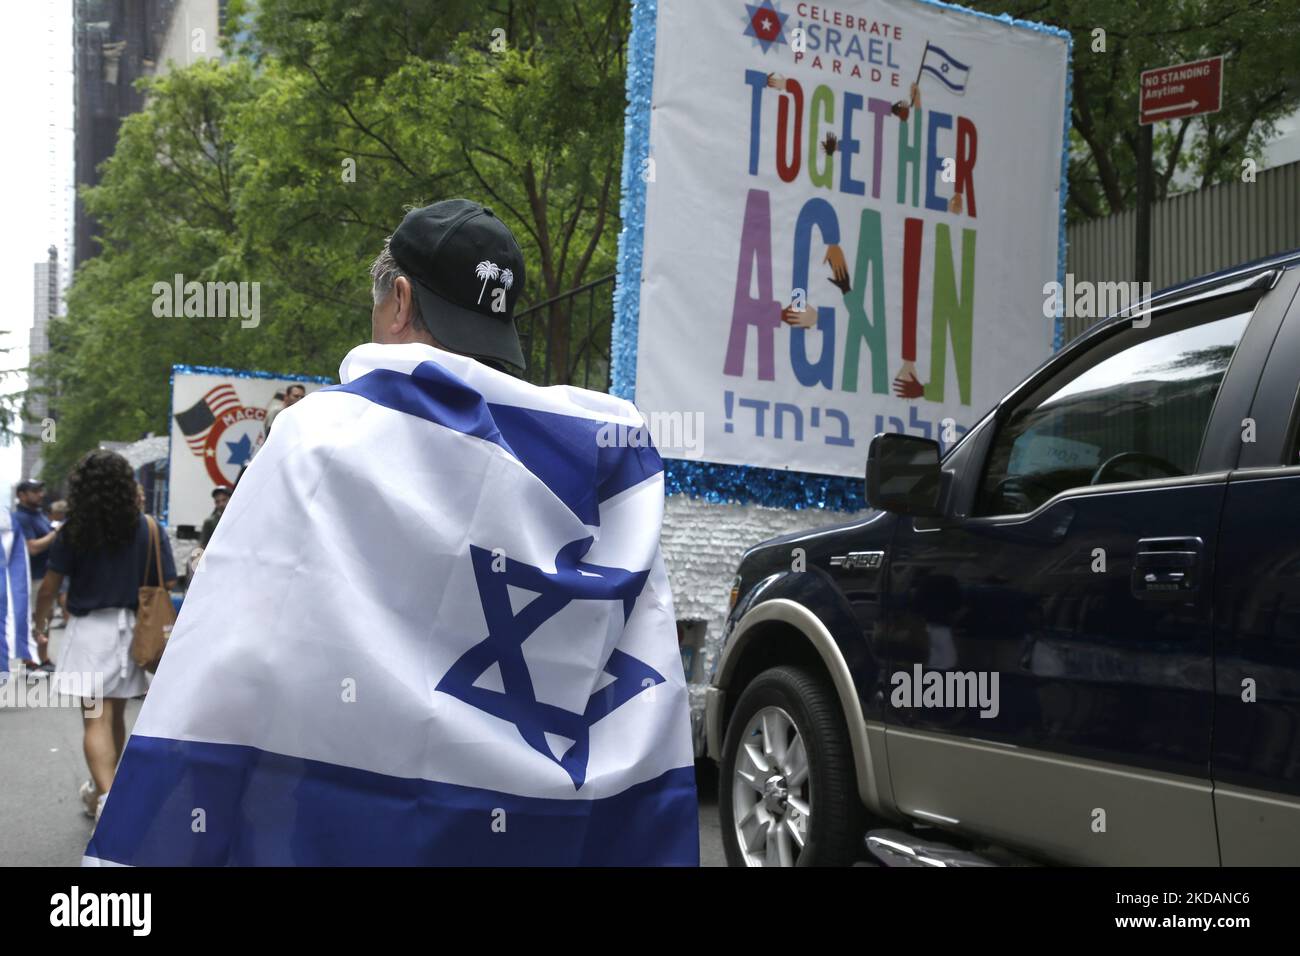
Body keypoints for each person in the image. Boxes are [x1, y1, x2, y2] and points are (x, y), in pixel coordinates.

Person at [87, 199, 698, 866]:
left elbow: (228, 664)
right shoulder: (607, 467)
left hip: (339, 829)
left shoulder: (320, 440)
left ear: (399, 300)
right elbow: (642, 695)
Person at [33, 450, 177, 822]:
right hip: (131, 632)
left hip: (90, 632)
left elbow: (50, 586)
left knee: (94, 718)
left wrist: (40, 622)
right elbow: (169, 581)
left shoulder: (75, 529)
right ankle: (102, 789)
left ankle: (107, 800)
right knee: (114, 714)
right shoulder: (148, 527)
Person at [14, 478, 57, 673]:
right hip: (31, 576)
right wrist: (57, 533)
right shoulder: (21, 517)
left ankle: (43, 658)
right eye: (35, 491)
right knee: (33, 617)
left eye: (41, 489)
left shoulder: (37, 514)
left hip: (45, 573)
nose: (40, 494)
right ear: (21, 495)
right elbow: (32, 548)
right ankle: (29, 661)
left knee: (44, 618)